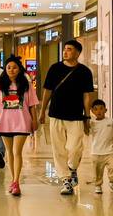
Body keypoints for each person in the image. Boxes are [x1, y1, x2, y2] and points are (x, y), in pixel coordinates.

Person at [38, 40, 96, 196]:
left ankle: (72, 168)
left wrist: (87, 116)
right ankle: (66, 180)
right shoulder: (55, 69)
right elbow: (47, 91)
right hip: (56, 114)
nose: (65, 52)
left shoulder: (85, 72)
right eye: (64, 49)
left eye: (69, 49)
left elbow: (86, 96)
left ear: (77, 53)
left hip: (76, 115)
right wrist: (42, 110)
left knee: (75, 148)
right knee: (58, 149)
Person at [0, 55, 38, 197]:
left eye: (14, 67)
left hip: (22, 123)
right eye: (9, 67)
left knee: (17, 152)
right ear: (5, 69)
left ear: (19, 69)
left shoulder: (26, 86)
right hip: (4, 123)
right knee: (9, 152)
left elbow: (33, 105)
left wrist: (35, 120)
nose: (11, 70)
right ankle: (13, 180)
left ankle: (16, 182)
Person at [86, 99, 113, 194]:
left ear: (106, 110)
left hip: (110, 151)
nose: (99, 111)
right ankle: (98, 185)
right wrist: (86, 121)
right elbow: (86, 131)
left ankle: (112, 182)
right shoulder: (92, 123)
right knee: (97, 172)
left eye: (101, 109)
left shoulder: (111, 121)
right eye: (96, 109)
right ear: (92, 111)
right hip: (96, 152)